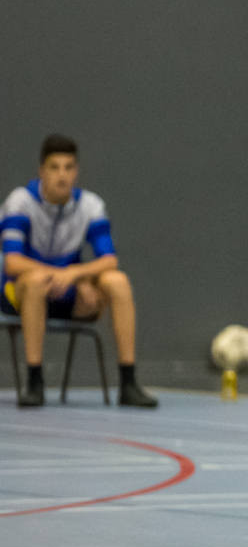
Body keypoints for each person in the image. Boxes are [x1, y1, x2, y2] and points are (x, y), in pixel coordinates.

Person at [1, 134, 157, 408]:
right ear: (42, 172)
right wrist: (63, 273)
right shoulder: (20, 202)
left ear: (77, 171)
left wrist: (76, 276)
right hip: (20, 295)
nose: (62, 176)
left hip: (67, 295)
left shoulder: (91, 206)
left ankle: (128, 382)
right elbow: (13, 263)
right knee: (36, 280)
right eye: (54, 167)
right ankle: (35, 382)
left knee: (117, 281)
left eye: (69, 167)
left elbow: (109, 260)